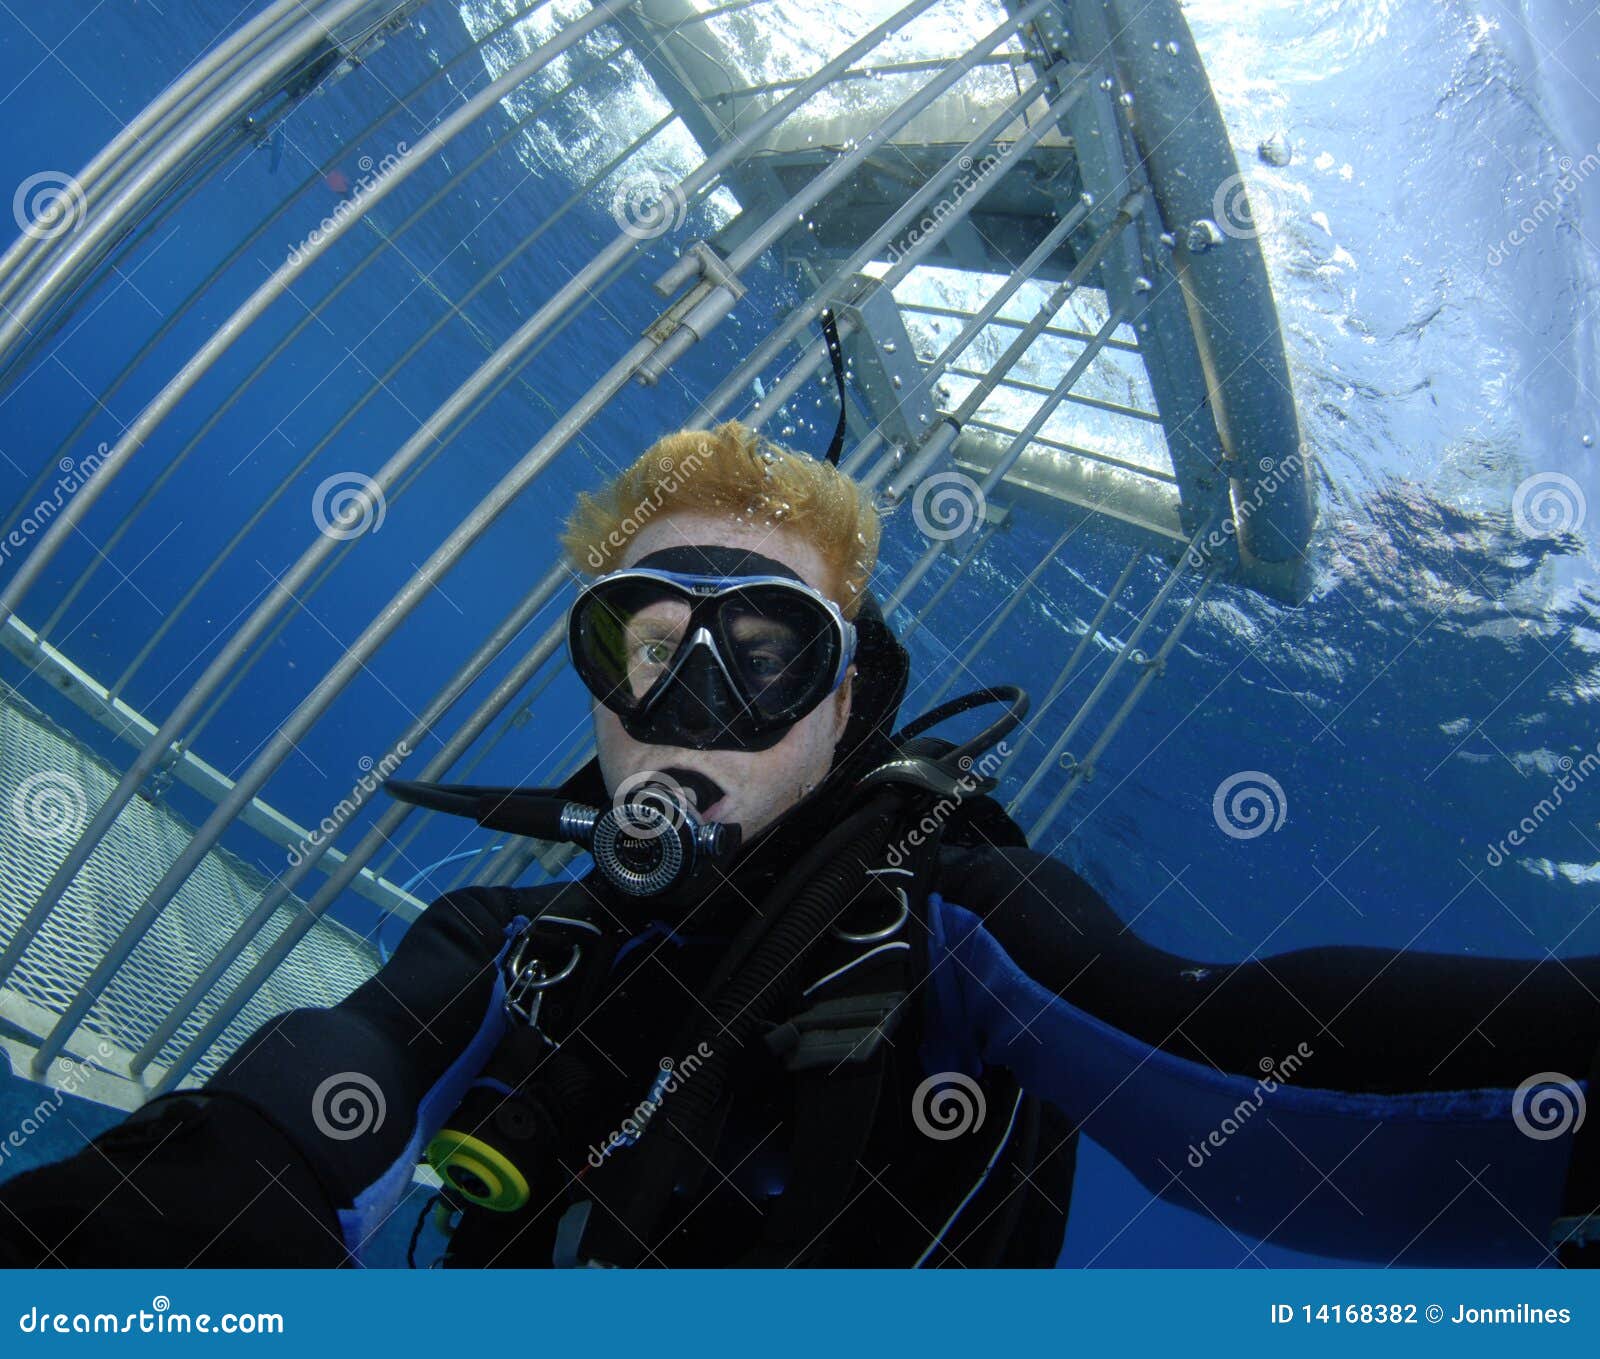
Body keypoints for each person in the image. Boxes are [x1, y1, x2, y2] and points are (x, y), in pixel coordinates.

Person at [2, 420, 1598, 1269]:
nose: (691, 701)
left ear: (847, 709)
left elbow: (1236, 1048)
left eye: (762, 652)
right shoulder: (507, 942)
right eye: (644, 644)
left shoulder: (948, 929)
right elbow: (292, 1115)